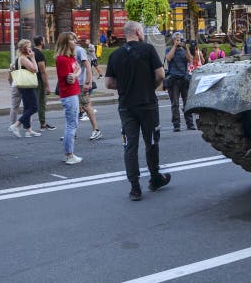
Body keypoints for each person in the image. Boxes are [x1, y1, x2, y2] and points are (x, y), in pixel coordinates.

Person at [105, 20, 170, 201]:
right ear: (138, 32)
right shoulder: (148, 50)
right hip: (147, 103)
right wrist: (149, 86)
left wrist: (126, 86)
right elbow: (161, 75)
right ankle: (155, 178)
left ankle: (135, 188)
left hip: (126, 106)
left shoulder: (115, 55)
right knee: (151, 142)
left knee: (129, 146)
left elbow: (108, 83)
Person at [55, 32, 82, 165]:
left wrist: (76, 74)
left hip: (73, 93)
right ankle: (69, 155)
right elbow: (70, 79)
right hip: (69, 94)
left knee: (73, 124)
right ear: (65, 43)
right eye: (72, 40)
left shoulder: (71, 57)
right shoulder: (62, 59)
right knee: (71, 125)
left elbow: (78, 70)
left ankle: (69, 153)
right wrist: (75, 75)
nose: (75, 41)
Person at [8, 39, 41, 138]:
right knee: (34, 107)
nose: (31, 48)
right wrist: (33, 58)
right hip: (27, 85)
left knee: (27, 107)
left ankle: (28, 130)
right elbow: (35, 70)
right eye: (29, 46)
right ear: (24, 48)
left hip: (21, 85)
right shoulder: (23, 58)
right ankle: (16, 124)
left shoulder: (19, 58)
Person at [165, 32, 193, 131]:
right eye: (178, 39)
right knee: (175, 104)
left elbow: (190, 60)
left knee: (187, 103)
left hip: (184, 79)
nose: (180, 41)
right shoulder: (169, 49)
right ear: (173, 40)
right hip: (174, 79)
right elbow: (168, 58)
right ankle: (176, 125)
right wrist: (174, 46)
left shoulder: (183, 50)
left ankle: (190, 124)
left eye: (181, 39)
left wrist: (186, 48)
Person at [76, 39, 102, 140]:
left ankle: (96, 130)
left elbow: (88, 66)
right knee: (72, 107)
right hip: (71, 84)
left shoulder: (79, 50)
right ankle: (71, 132)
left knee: (86, 106)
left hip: (81, 84)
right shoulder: (65, 51)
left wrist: (88, 82)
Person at [33, 35, 55, 131]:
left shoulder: (32, 52)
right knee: (41, 102)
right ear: (41, 42)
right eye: (44, 40)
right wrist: (47, 86)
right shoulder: (39, 54)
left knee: (32, 103)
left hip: (31, 80)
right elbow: (43, 71)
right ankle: (43, 124)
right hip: (38, 81)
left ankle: (25, 125)